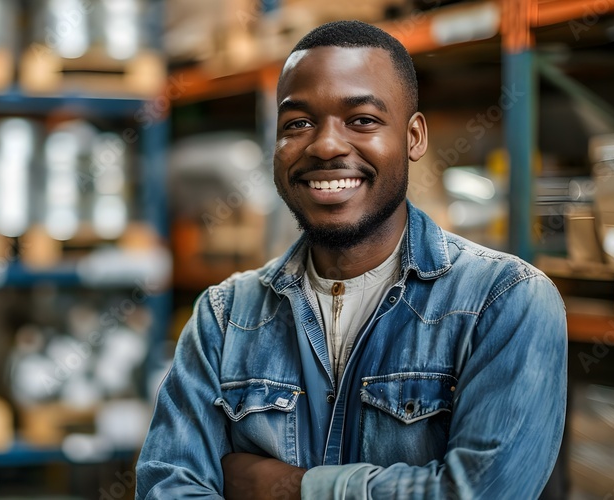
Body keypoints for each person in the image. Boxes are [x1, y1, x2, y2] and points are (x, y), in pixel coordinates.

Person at [136, 20, 567, 499]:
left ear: (414, 137)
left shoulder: (505, 302)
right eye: (297, 123)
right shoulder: (224, 317)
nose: (324, 145)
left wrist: (290, 488)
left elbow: (479, 492)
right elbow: (167, 488)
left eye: (362, 120)